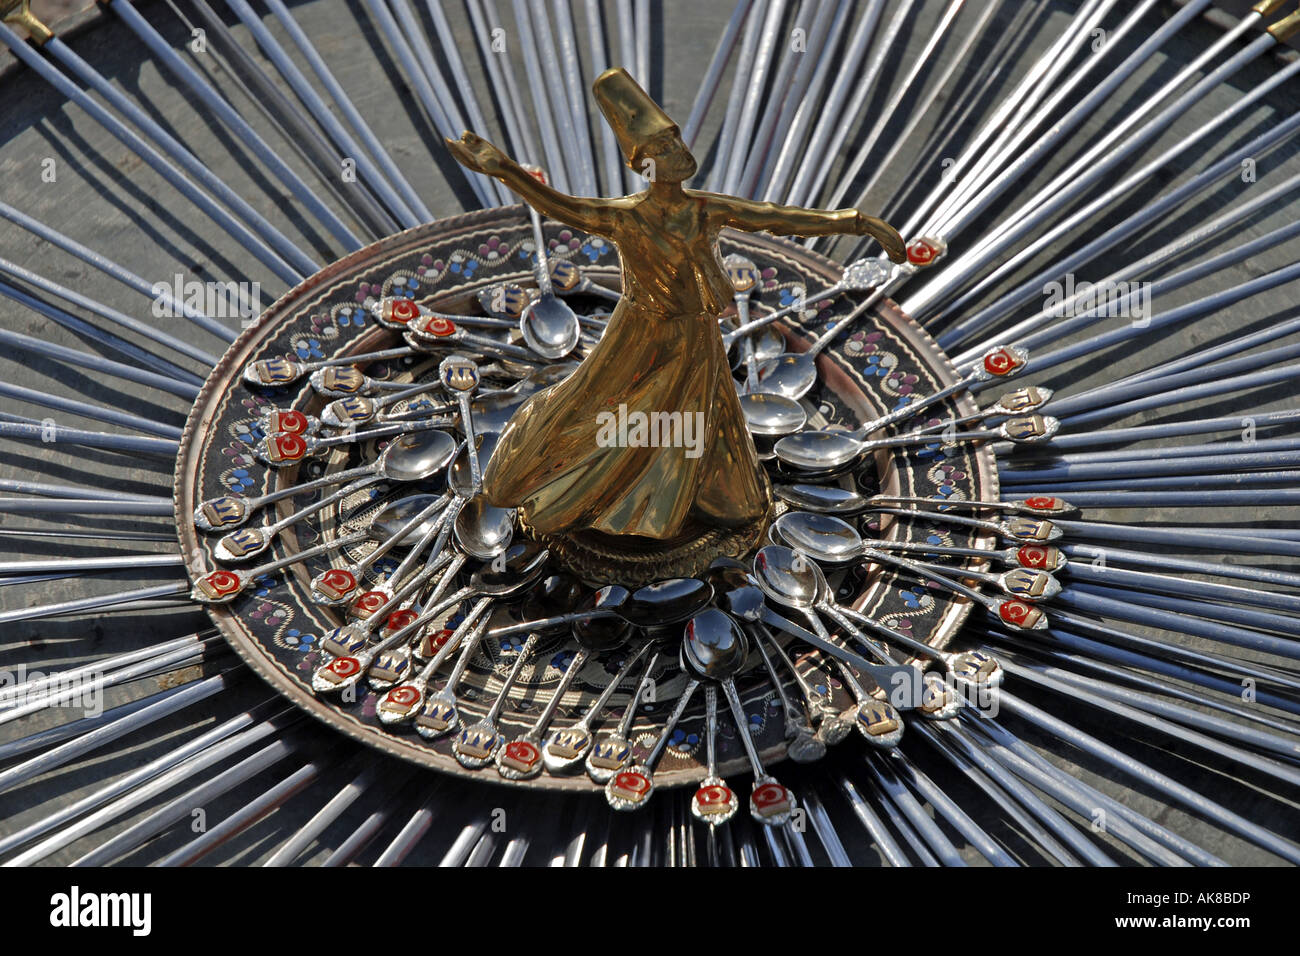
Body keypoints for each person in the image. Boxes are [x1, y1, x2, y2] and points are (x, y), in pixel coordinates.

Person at [445, 68, 906, 570]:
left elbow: (776, 216)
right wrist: (503, 170)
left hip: (696, 333)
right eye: (662, 148)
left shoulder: (705, 210)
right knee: (606, 412)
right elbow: (563, 207)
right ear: (641, 164)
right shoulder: (627, 216)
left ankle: (701, 499)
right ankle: (582, 491)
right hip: (640, 335)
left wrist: (855, 222)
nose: (677, 151)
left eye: (675, 139)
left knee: (699, 419)